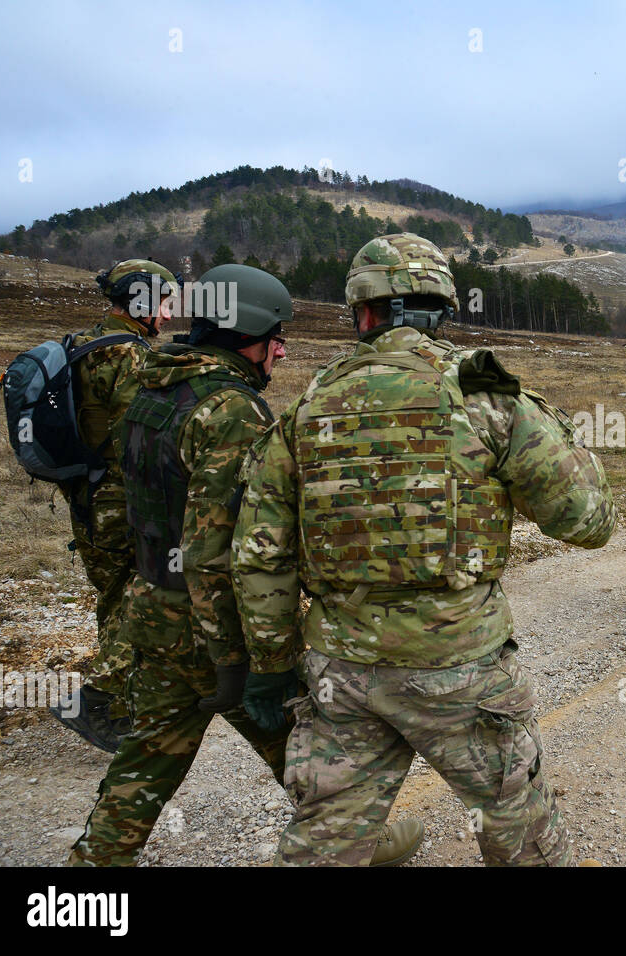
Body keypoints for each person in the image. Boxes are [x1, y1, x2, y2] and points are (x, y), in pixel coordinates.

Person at [232, 233, 617, 866]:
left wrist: (272, 662)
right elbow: (587, 521)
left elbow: (262, 555)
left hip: (341, 670)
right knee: (516, 821)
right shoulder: (487, 400)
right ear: (442, 308)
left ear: (362, 313)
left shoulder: (306, 410)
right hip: (459, 666)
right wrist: (569, 443)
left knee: (325, 839)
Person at [70, 263, 417, 865]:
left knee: (146, 757)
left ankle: (90, 871)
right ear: (243, 333)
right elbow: (221, 553)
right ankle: (361, 840)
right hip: (215, 627)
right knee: (302, 742)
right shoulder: (232, 413)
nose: (282, 349)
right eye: (275, 335)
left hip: (153, 611)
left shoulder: (150, 392)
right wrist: (250, 661)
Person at [47, 259, 179, 752]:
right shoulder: (128, 356)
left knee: (115, 595)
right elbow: (139, 436)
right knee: (145, 598)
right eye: (165, 305)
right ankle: (99, 702)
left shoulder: (81, 344)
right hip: (120, 498)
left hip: (84, 494)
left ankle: (123, 705)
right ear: (142, 302)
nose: (168, 317)